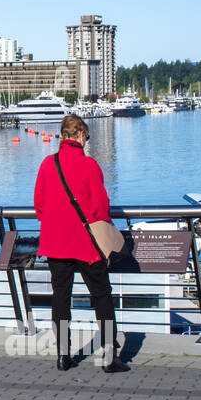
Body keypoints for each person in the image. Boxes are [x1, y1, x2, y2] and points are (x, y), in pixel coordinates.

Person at [33, 113, 128, 373]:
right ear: (81, 135)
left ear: (62, 137)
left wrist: (54, 223)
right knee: (101, 296)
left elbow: (39, 206)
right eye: (86, 136)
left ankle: (63, 355)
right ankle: (109, 356)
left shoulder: (47, 164)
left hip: (55, 243)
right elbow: (100, 208)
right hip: (86, 244)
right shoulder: (90, 166)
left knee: (61, 297)